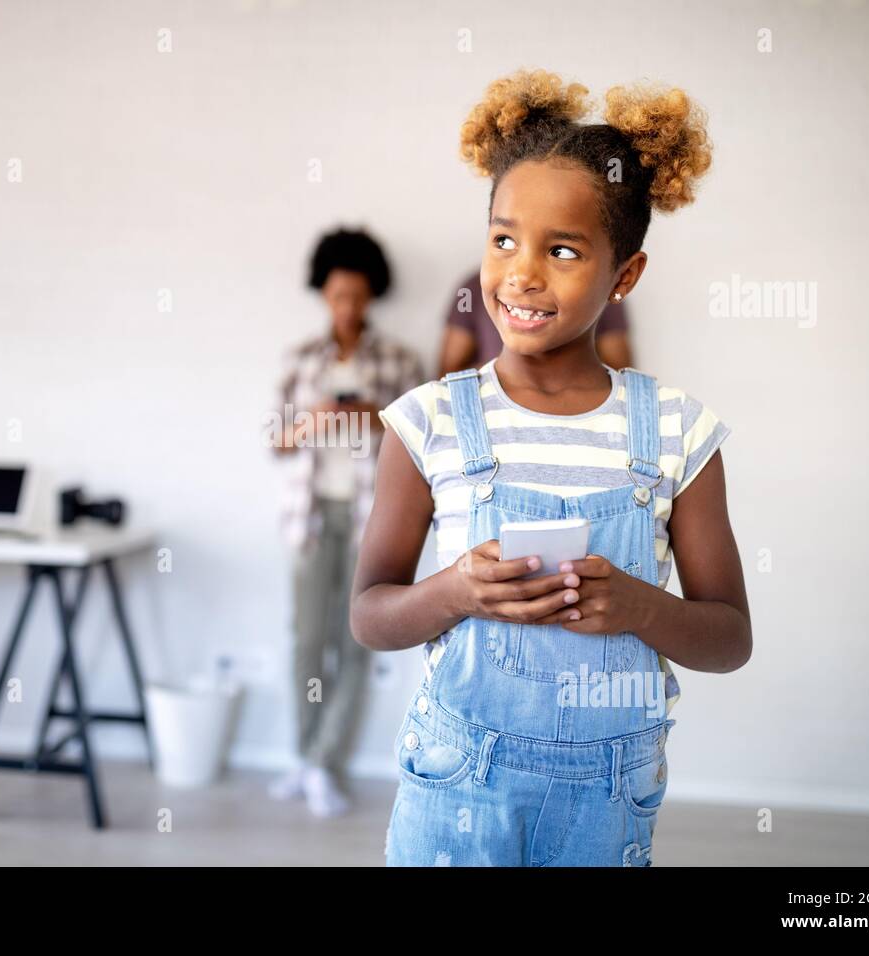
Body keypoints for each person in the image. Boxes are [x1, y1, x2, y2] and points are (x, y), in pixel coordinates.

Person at [352, 69, 751, 865]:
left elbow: (729, 637)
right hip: (455, 784)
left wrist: (641, 607)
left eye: (562, 250)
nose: (522, 273)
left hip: (607, 800)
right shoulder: (428, 420)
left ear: (624, 276)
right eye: (503, 239)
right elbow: (370, 614)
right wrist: (454, 590)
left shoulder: (677, 431)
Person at [268, 227, 425, 818]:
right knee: (307, 639)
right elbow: (275, 441)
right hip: (308, 518)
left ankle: (325, 762)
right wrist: (312, 421)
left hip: (371, 519)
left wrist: (369, 415)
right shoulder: (300, 360)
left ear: (372, 295)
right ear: (323, 293)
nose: (348, 307)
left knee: (356, 640)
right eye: (338, 296)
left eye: (358, 296)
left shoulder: (400, 361)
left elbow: (418, 441)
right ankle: (302, 755)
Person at [438, 270, 633, 375]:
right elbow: (448, 372)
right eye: (503, 241)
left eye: (561, 251)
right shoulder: (471, 290)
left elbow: (620, 368)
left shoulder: (601, 293)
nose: (524, 280)